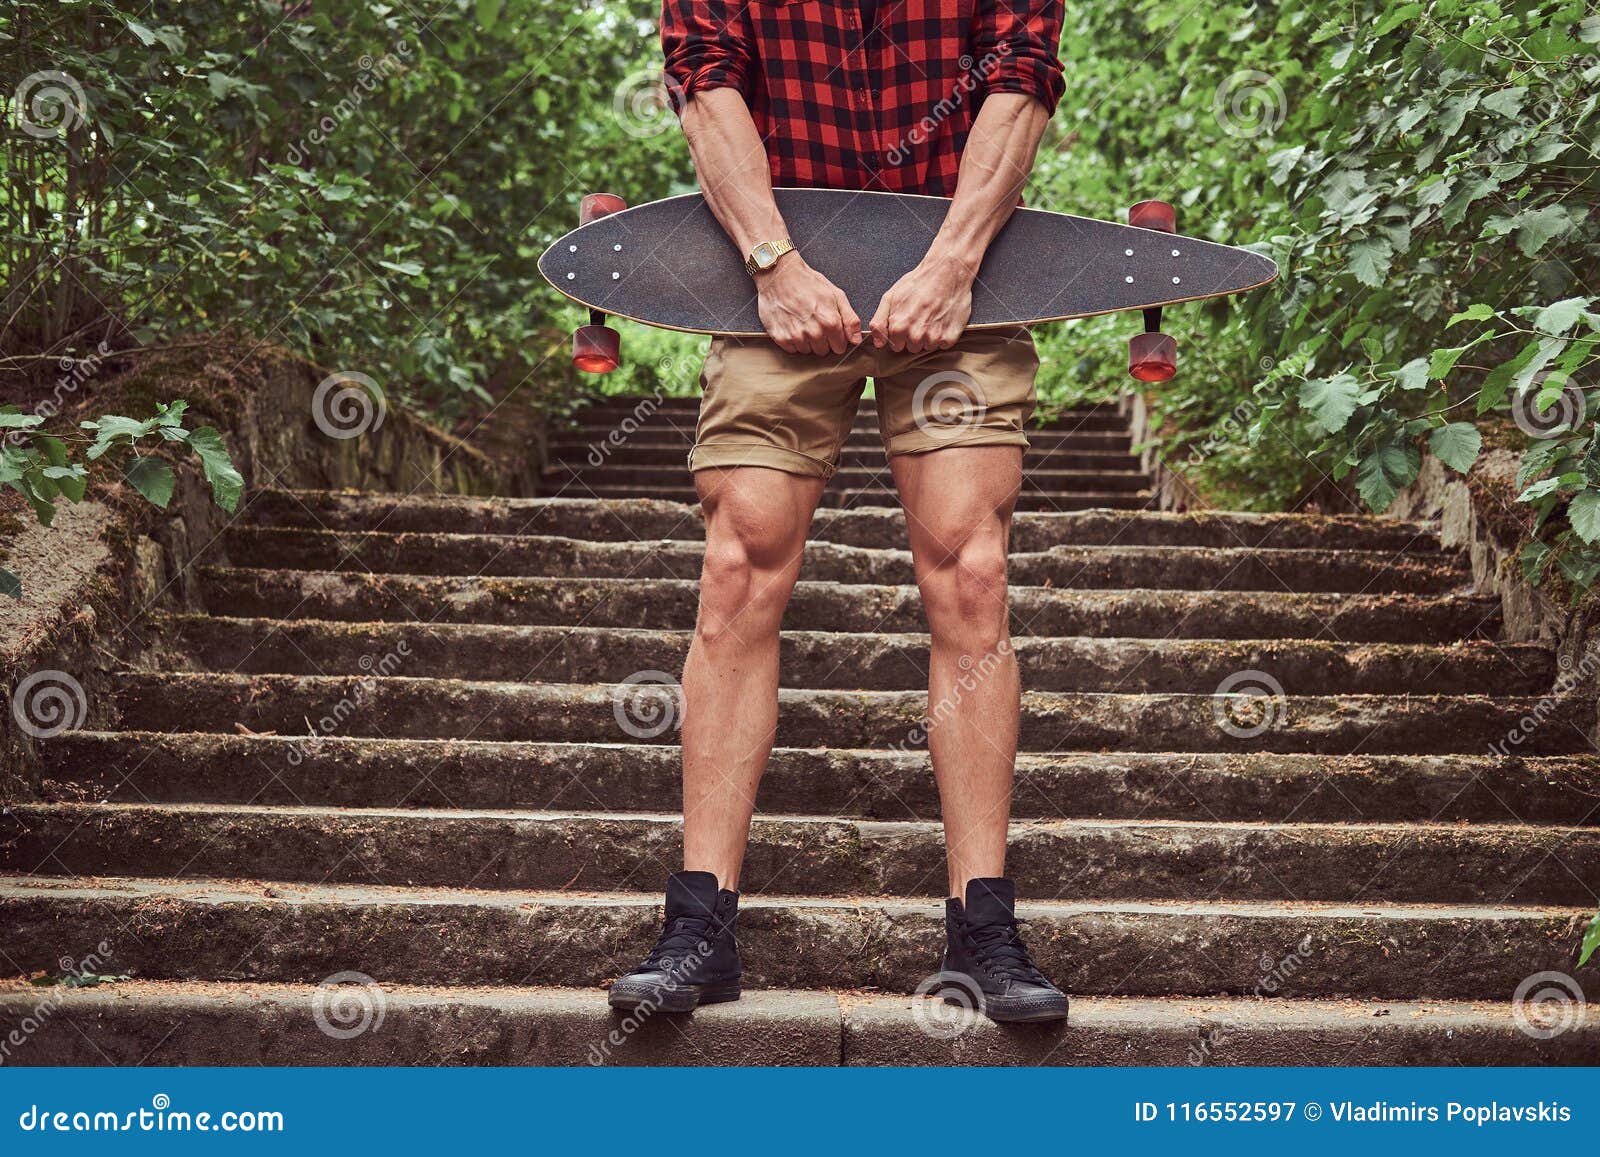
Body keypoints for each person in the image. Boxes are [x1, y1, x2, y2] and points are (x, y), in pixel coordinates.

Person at [608, 0, 1070, 1024]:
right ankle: (700, 927)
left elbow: (1019, 72)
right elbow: (704, 77)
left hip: (969, 282)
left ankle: (982, 926)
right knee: (739, 563)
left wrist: (950, 264)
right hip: (774, 283)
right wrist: (774, 265)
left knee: (972, 569)